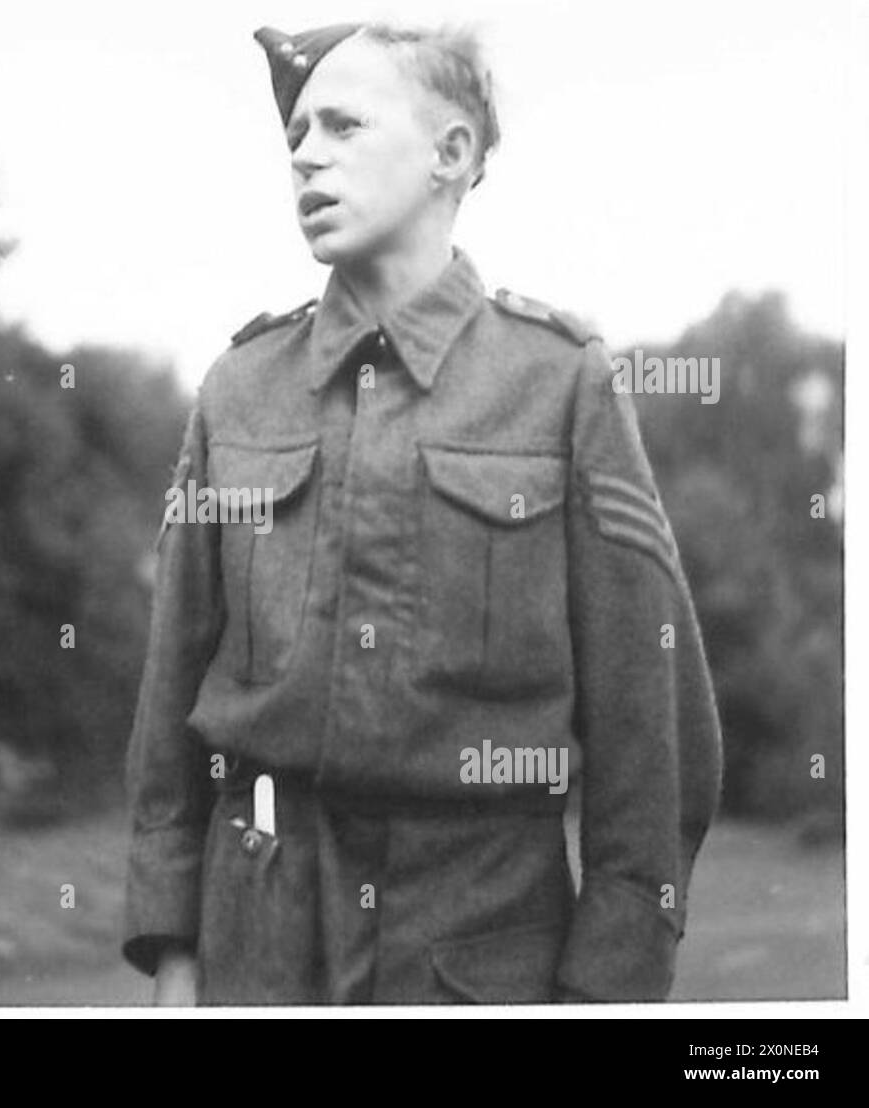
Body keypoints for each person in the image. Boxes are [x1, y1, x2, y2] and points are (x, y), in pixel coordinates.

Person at [123, 20, 722, 1005]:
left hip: (475, 957)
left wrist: (607, 985)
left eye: (344, 123)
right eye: (297, 134)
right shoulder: (237, 390)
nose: (307, 151)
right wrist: (176, 957)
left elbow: (650, 733)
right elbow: (168, 703)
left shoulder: (559, 382)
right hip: (257, 953)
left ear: (451, 154)